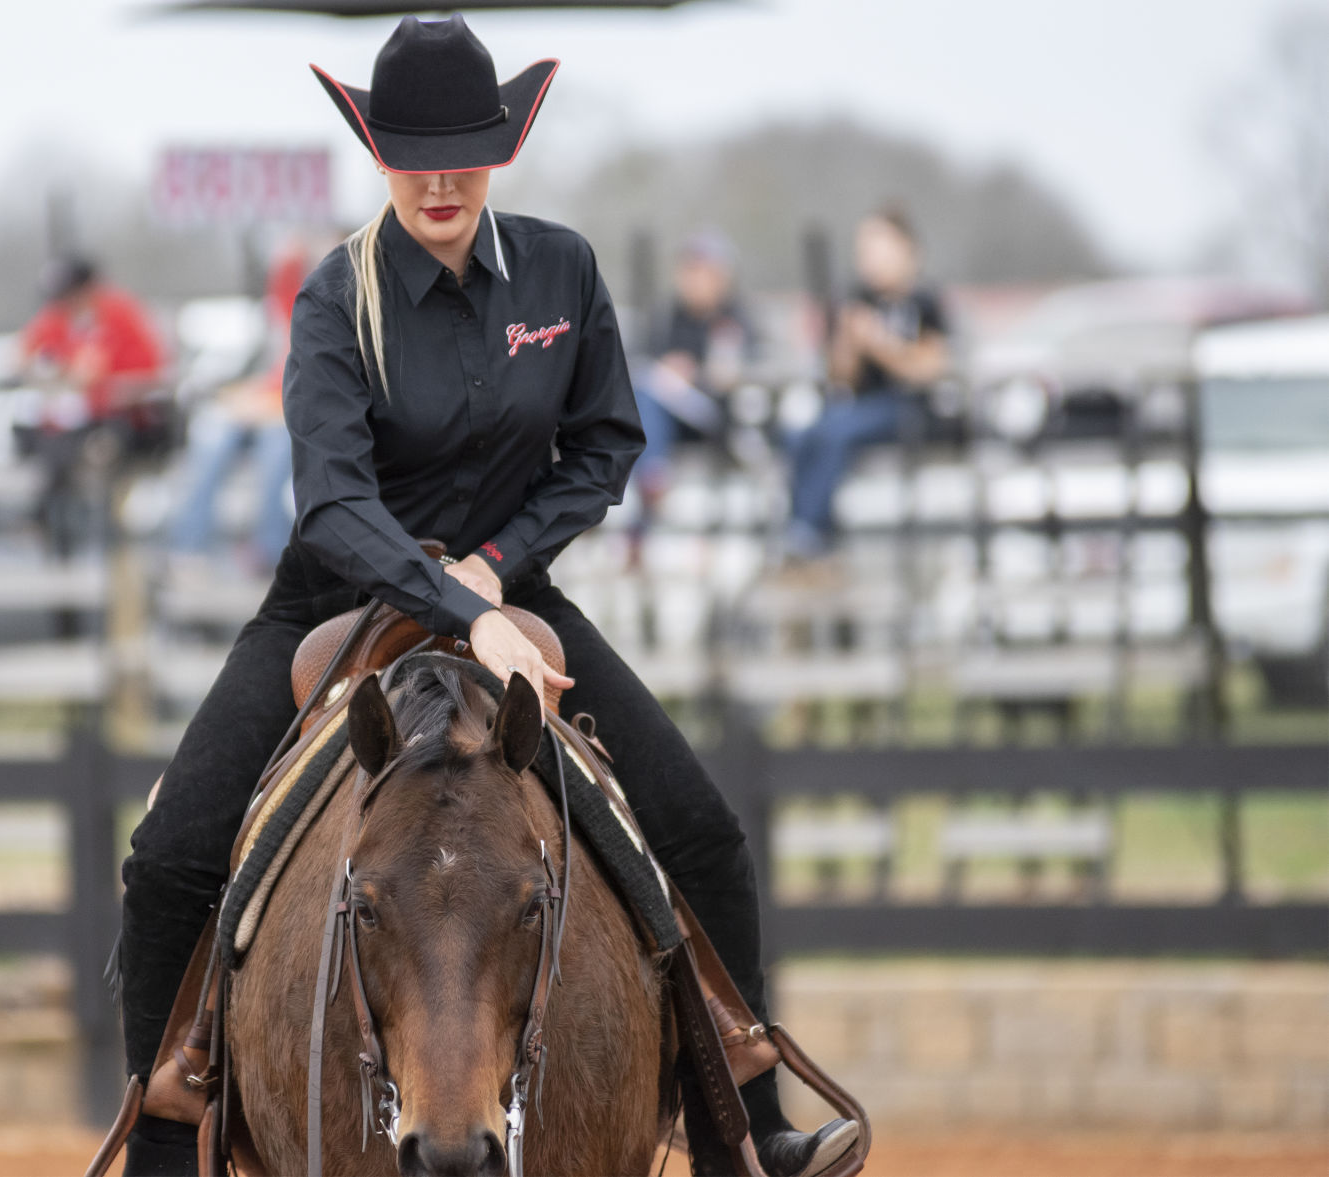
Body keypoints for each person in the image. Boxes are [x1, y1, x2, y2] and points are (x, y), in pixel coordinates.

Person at [117, 16, 856, 1177]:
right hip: (336, 601)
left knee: (700, 828)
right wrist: (469, 612)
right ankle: (169, 1118)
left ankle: (744, 1120)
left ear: (502, 147)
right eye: (415, 152)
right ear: (378, 152)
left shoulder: (563, 271)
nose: (442, 176)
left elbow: (605, 444)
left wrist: (498, 568)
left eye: (465, 147)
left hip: (521, 591)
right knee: (168, 855)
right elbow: (333, 504)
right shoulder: (335, 296)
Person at [782, 206, 950, 561]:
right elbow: (840, 377)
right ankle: (804, 529)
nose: (868, 259)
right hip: (860, 405)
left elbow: (929, 368)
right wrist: (845, 338)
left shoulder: (924, 301)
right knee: (800, 434)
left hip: (908, 407)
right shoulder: (856, 300)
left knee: (836, 429)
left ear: (905, 249)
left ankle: (807, 534)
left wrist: (878, 341)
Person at [166, 239, 311, 574]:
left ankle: (270, 551)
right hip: (269, 406)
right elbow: (280, 368)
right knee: (212, 437)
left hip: (296, 412)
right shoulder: (285, 309)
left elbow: (307, 377)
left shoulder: (336, 304)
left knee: (275, 453)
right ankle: (190, 548)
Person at [628, 232, 759, 564]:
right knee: (647, 395)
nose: (694, 280)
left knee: (650, 398)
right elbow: (641, 363)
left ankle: (649, 484)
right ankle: (649, 486)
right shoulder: (668, 316)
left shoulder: (735, 319)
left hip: (719, 419)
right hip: (667, 418)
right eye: (689, 270)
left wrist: (696, 374)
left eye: (703, 271)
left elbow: (740, 372)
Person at [19, 257, 169, 430]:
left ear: (87, 289)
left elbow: (89, 372)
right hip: (88, 408)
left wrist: (59, 371)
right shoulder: (59, 315)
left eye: (70, 295)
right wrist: (45, 365)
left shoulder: (116, 311)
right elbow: (21, 355)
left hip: (127, 413)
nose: (64, 304)